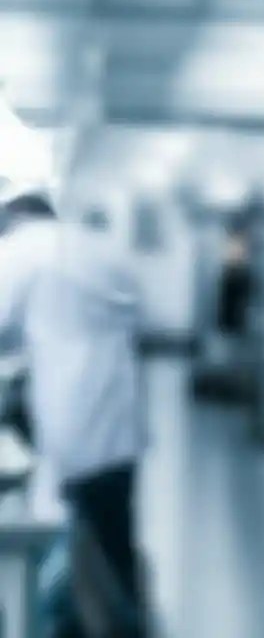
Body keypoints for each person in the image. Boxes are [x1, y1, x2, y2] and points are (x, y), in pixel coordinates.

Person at [0, 184, 147, 636]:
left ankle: (106, 622)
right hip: (117, 408)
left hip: (72, 407)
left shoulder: (22, 249)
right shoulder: (89, 245)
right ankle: (124, 618)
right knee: (110, 530)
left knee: (82, 530)